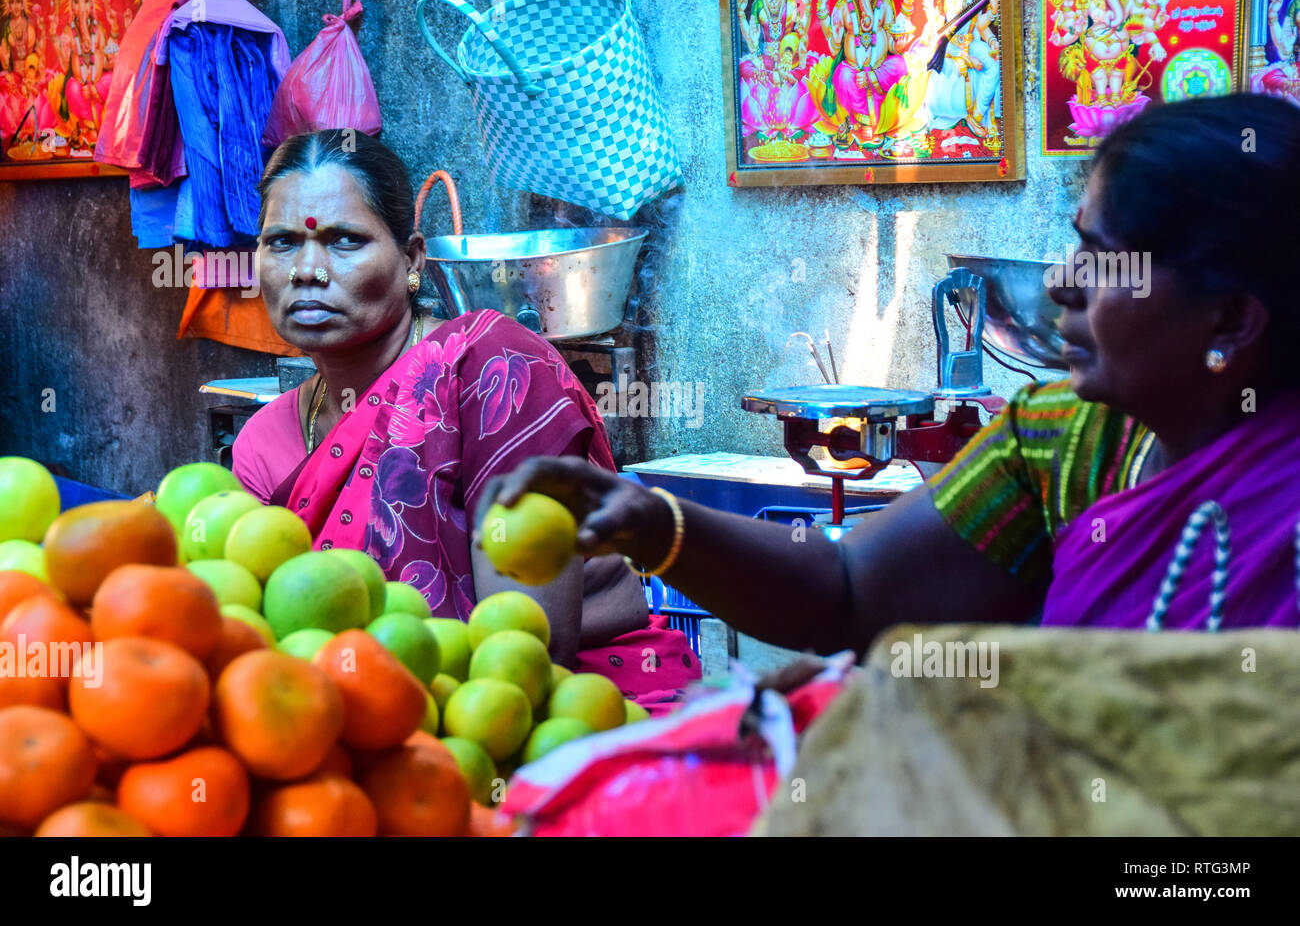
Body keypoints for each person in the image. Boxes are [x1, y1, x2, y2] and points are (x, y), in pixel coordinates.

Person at [480, 94, 1300, 654]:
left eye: (1102, 257)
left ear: (1230, 319)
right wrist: (657, 527)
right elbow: (848, 587)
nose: (1061, 281)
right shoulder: (1062, 442)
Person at [232, 130, 699, 709]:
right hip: (358, 724)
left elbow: (531, 654)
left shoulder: (493, 369)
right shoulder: (264, 442)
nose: (307, 269)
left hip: (575, 710)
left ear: (411, 260)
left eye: (344, 240)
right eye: (281, 242)